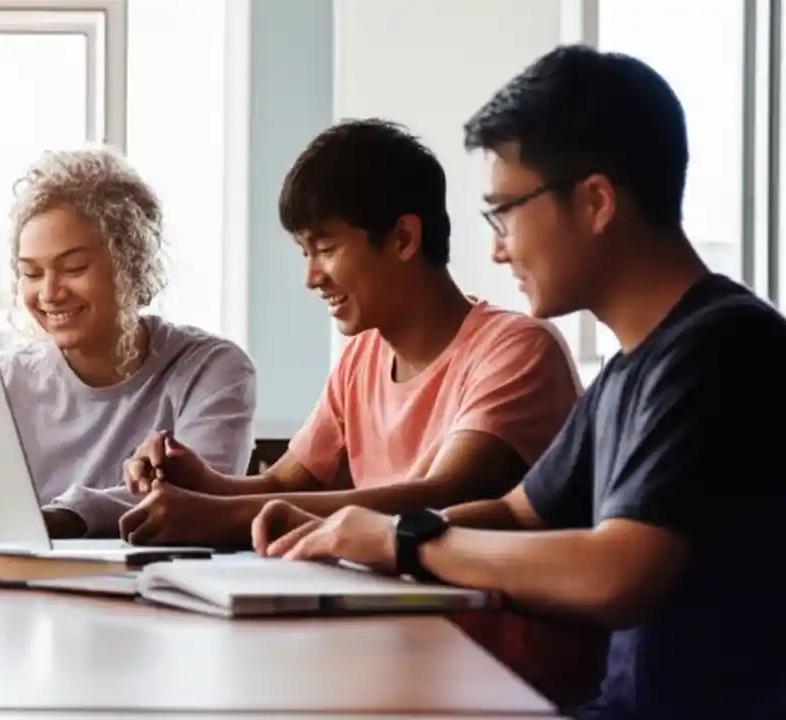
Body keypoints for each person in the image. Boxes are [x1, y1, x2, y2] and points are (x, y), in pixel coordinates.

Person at [254, 46, 786, 719]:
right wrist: (352, 538)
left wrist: (402, 541)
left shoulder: (723, 348)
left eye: (505, 212)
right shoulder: (629, 371)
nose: (499, 247)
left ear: (595, 201)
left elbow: (616, 573)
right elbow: (517, 512)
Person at [119, 119, 580, 547]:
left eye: (325, 248)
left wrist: (221, 516)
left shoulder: (517, 350)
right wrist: (195, 480)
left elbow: (440, 497)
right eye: (305, 252)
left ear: (403, 239)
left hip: (477, 631)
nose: (311, 276)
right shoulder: (362, 356)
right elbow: (281, 485)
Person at [0, 146, 255, 539]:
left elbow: (202, 498)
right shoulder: (7, 378)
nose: (50, 293)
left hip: (151, 592)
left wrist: (62, 516)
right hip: (21, 594)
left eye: (73, 268)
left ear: (130, 264)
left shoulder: (211, 368)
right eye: (31, 273)